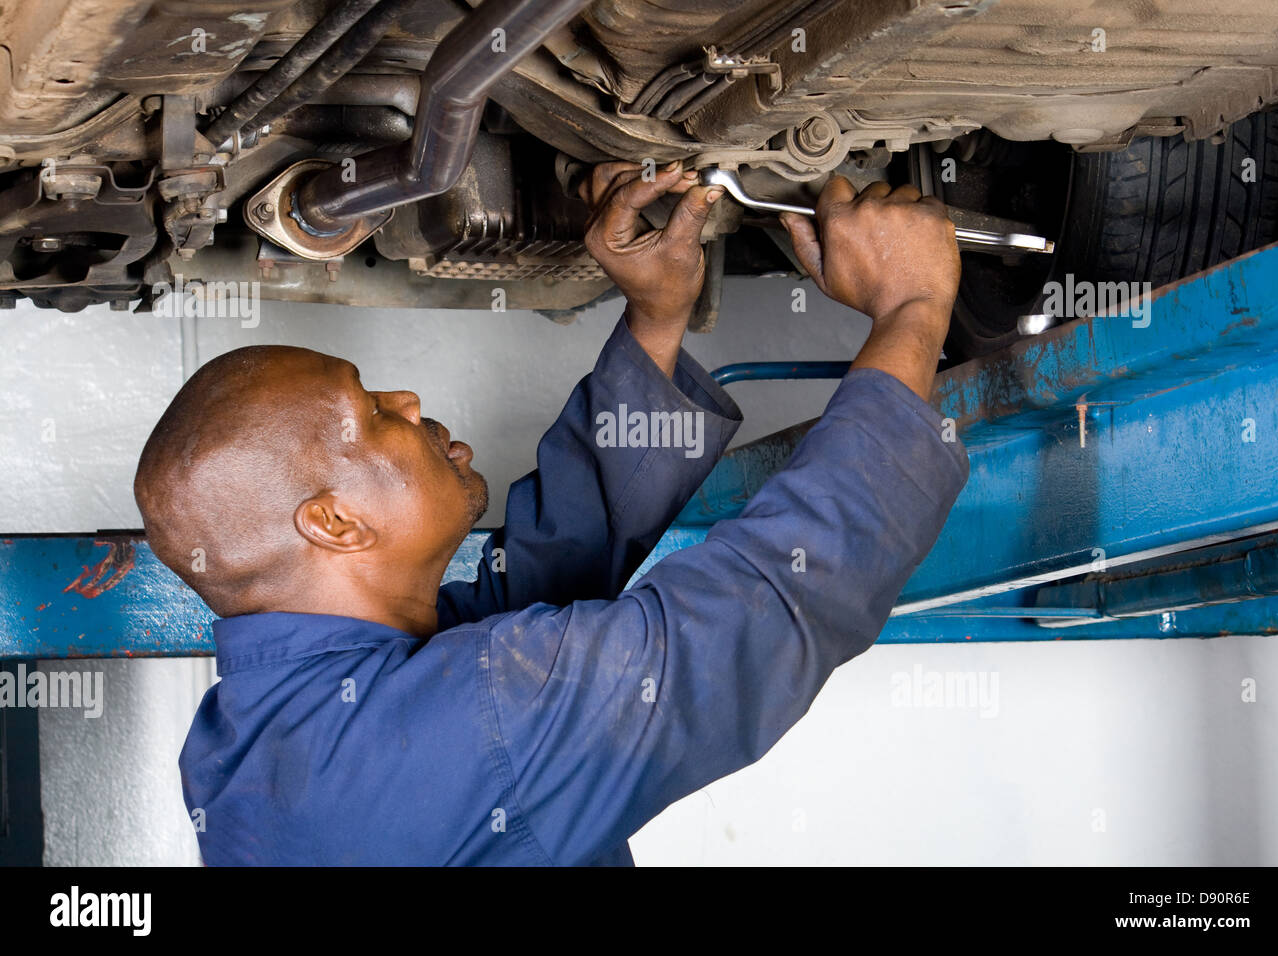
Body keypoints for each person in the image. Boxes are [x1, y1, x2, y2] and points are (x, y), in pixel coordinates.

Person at [134, 160, 968, 865]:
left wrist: (656, 317)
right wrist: (912, 309)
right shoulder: (448, 726)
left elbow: (541, 587)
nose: (408, 397)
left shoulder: (252, 735)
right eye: (375, 413)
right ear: (336, 524)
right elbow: (760, 618)